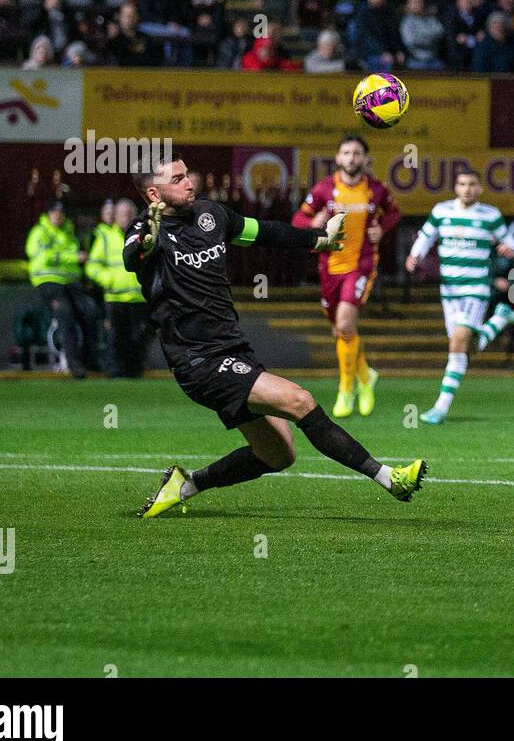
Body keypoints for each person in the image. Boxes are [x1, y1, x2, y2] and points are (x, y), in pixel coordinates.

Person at [129, 158, 425, 518]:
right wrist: (147, 239)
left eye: (188, 173)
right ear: (153, 193)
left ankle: (186, 484)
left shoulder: (212, 215)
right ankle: (390, 478)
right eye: (178, 179)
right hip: (199, 360)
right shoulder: (146, 230)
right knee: (300, 400)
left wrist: (320, 239)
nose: (190, 182)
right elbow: (134, 255)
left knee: (278, 454)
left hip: (233, 349)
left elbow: (266, 232)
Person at [291, 135, 400, 417]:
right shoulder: (324, 189)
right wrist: (310, 223)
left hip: (361, 265)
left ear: (365, 159)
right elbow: (298, 220)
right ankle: (366, 377)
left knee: (345, 324)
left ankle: (345, 389)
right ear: (338, 158)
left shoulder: (376, 190)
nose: (351, 158)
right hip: (329, 267)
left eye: (357, 153)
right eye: (346, 153)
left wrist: (382, 229)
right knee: (340, 331)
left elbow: (395, 213)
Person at [405, 169, 514, 424]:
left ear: (479, 188)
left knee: (457, 344)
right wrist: (415, 256)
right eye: (462, 184)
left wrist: (508, 248)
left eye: (472, 184)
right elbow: (426, 236)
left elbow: (512, 243)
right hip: (449, 291)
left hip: (475, 289)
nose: (467, 188)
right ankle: (499, 320)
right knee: (466, 349)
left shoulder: (490, 215)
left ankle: (441, 407)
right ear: (455, 187)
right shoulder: (442, 211)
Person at [25, 199, 95, 378]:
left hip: (70, 283)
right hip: (48, 281)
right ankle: (74, 365)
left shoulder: (69, 232)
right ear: (48, 214)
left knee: (90, 311)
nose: (58, 216)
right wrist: (71, 257)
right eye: (55, 212)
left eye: (61, 213)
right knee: (65, 313)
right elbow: (40, 257)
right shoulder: (39, 233)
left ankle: (90, 360)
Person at [86, 198, 148, 378]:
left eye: (129, 214)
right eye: (122, 214)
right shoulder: (106, 237)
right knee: (115, 339)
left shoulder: (142, 236)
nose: (125, 218)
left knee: (137, 339)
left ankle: (135, 372)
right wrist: (110, 280)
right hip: (115, 297)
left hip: (138, 298)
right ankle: (115, 373)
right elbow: (92, 266)